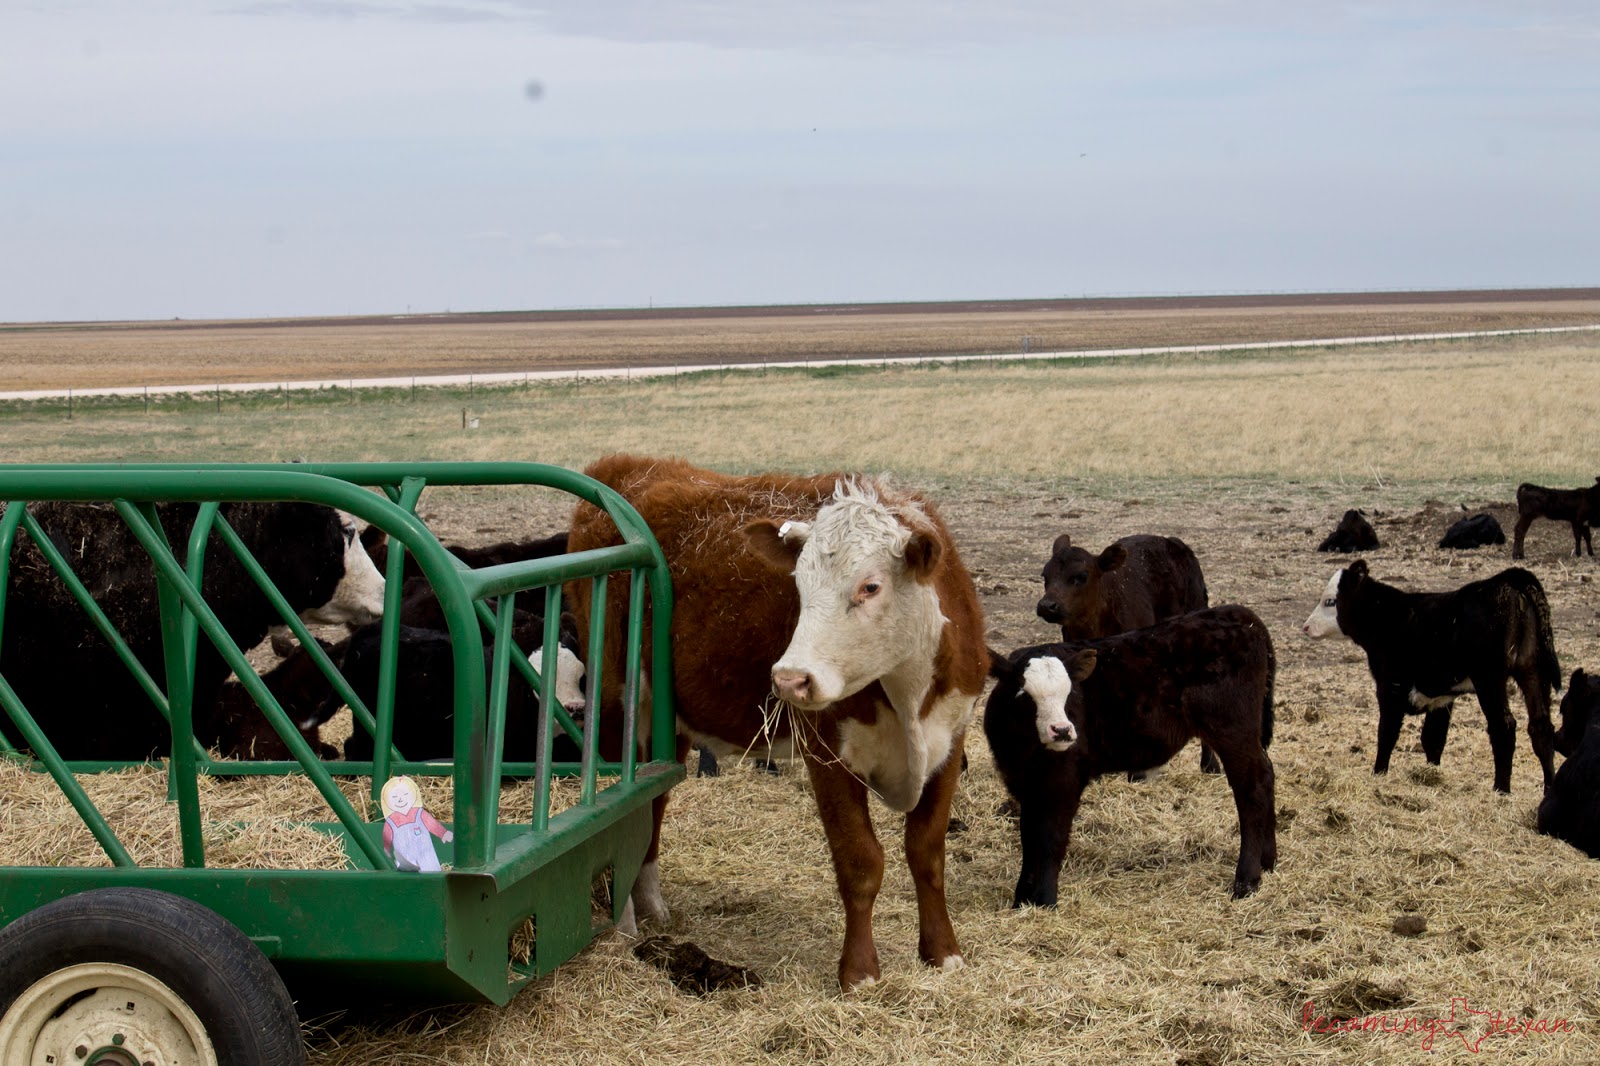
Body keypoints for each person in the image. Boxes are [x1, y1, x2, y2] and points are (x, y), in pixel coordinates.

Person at [380, 775, 453, 872]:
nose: (400, 799)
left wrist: (443, 833)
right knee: (407, 868)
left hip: (425, 851)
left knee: (429, 865)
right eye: (394, 797)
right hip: (405, 854)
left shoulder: (419, 813)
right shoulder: (390, 821)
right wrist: (387, 847)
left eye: (405, 794)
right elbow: (387, 834)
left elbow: (432, 824)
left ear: (413, 795)